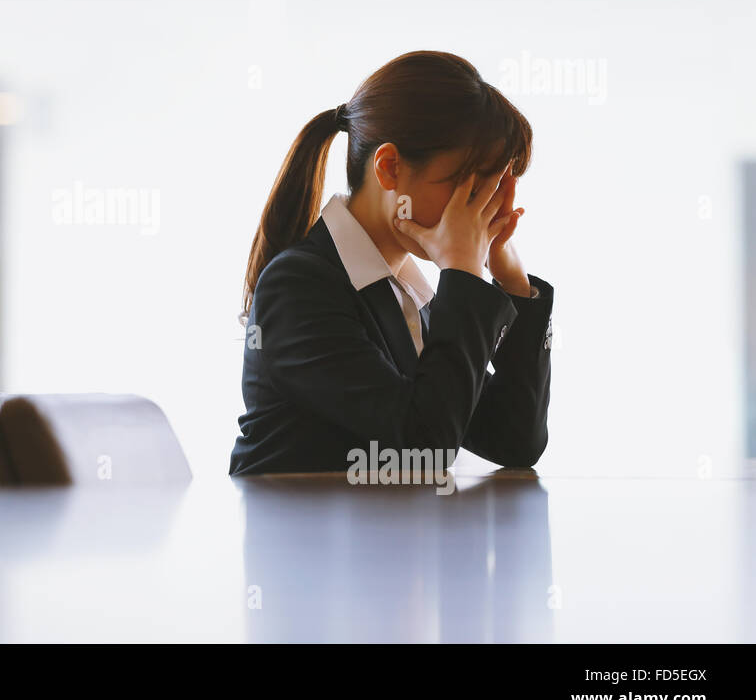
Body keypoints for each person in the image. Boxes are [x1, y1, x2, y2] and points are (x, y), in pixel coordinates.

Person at [229, 51, 553, 475]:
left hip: (384, 536)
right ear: (389, 168)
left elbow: (513, 440)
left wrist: (509, 280)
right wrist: (462, 270)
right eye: (467, 187)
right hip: (300, 538)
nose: (481, 209)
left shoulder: (404, 288)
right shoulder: (298, 288)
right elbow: (424, 446)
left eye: (492, 189)